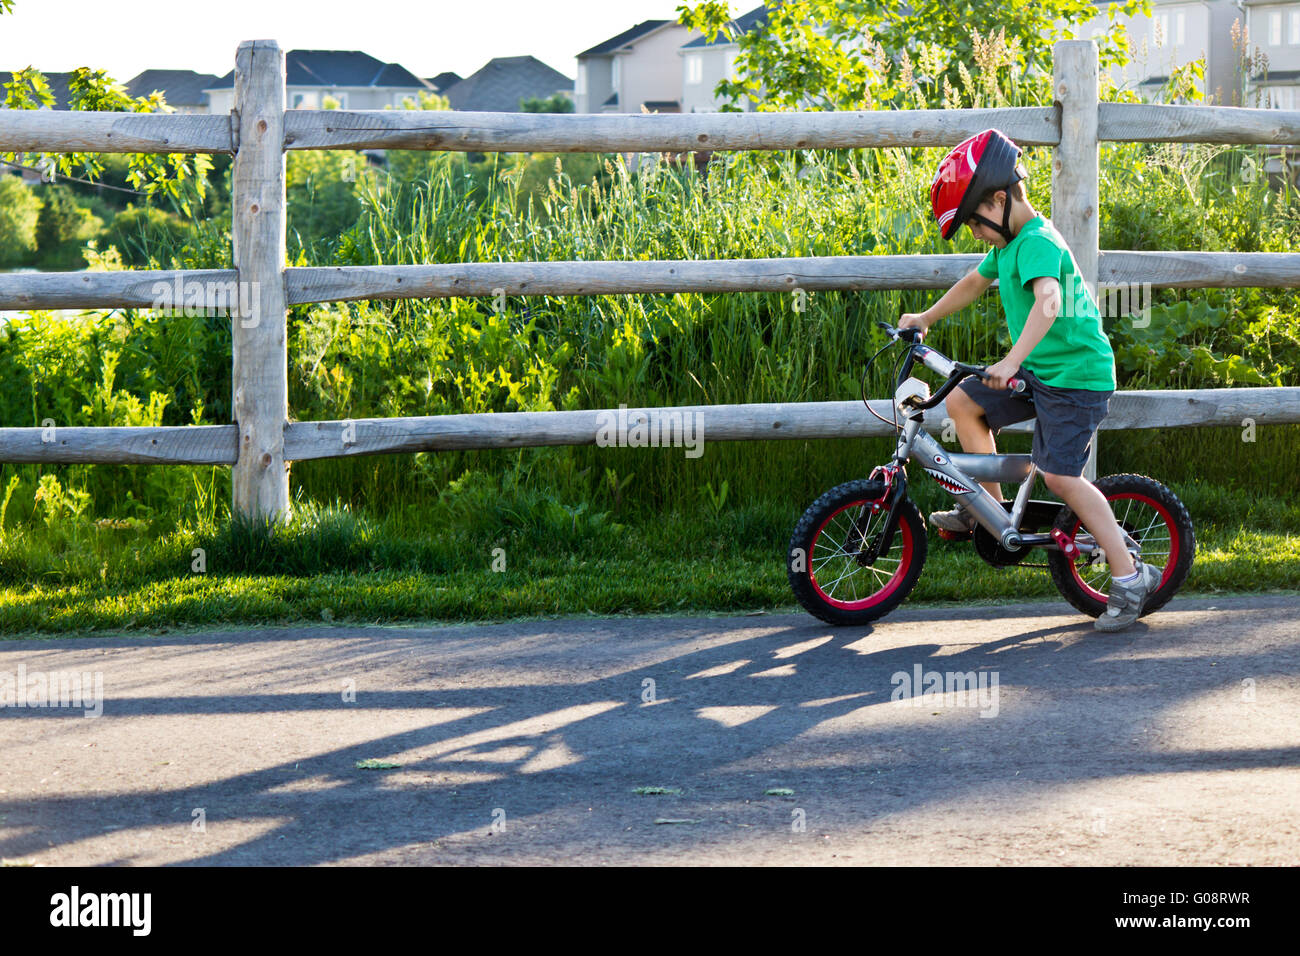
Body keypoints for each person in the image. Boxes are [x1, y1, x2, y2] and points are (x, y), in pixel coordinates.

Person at [899, 128, 1160, 632]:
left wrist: (1012, 361)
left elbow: (1049, 302)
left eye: (975, 222)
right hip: (1042, 372)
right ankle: (991, 516)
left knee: (1060, 476)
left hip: (1077, 378)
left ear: (999, 200)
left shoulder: (1037, 241)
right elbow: (975, 282)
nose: (975, 233)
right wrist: (927, 317)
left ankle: (1129, 580)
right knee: (963, 405)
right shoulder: (1009, 243)